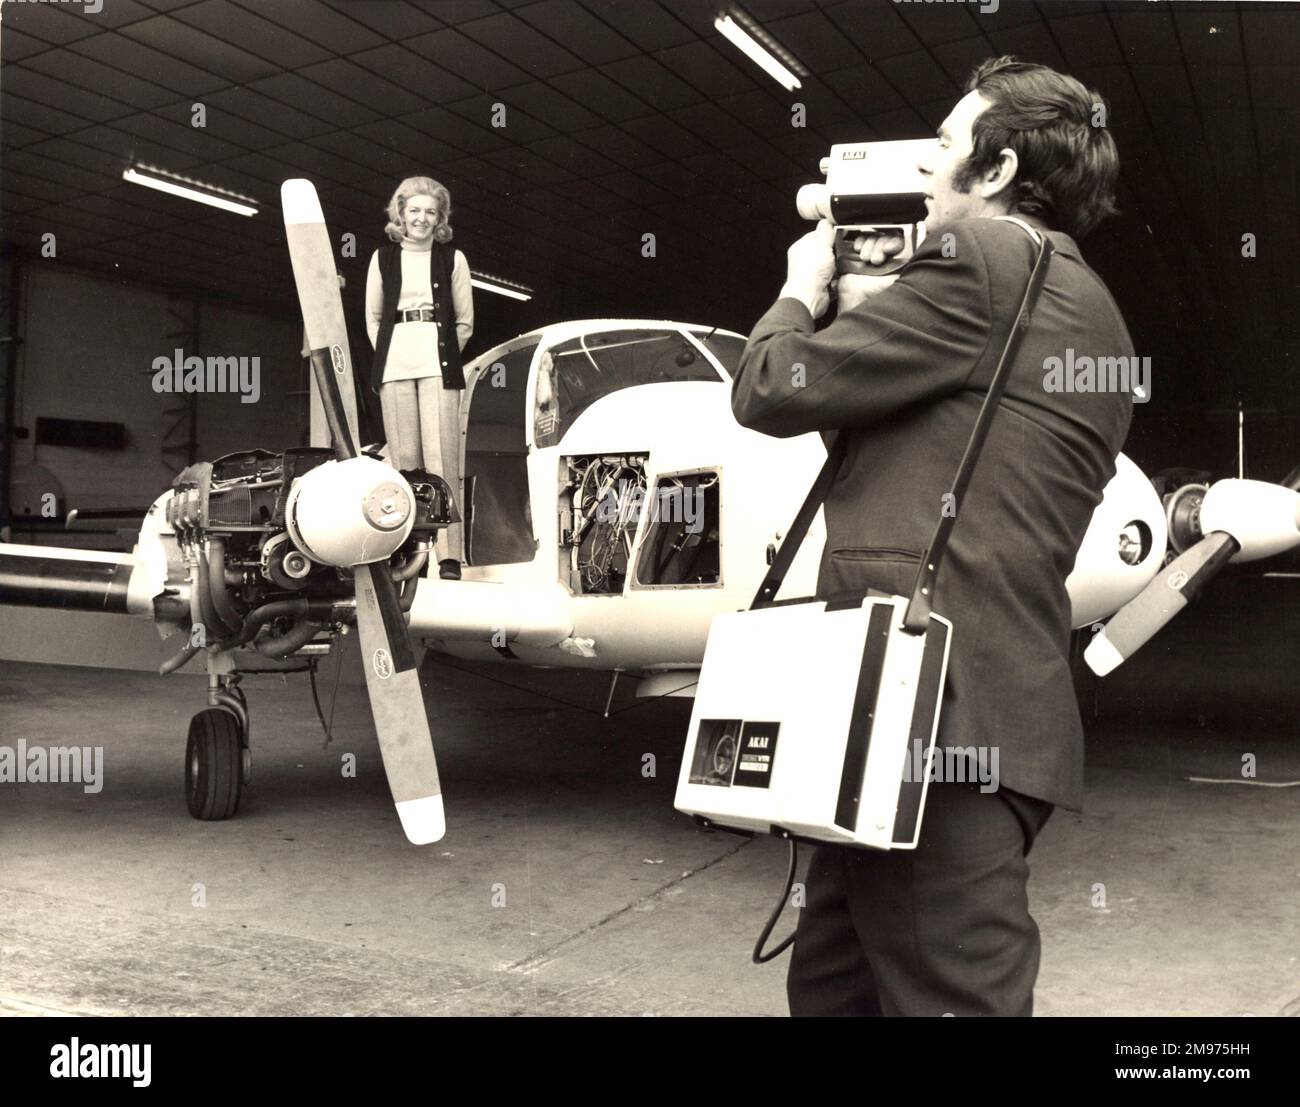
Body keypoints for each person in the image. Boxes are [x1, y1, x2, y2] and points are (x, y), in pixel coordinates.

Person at [731, 56, 1134, 1016]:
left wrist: (802, 289)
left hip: (933, 712)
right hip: (937, 710)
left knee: (947, 997)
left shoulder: (987, 262)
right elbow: (924, 448)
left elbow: (770, 387)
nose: (927, 173)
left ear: (995, 172)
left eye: (946, 148)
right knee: (837, 984)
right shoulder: (1087, 311)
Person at [366, 176, 473, 580]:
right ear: (401, 214)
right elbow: (373, 319)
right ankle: (411, 551)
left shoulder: (453, 259)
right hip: (395, 365)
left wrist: (440, 352)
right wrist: (393, 354)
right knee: (405, 463)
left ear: (440, 217)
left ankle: (448, 557)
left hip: (438, 364)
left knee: (441, 460)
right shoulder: (382, 258)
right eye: (414, 211)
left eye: (430, 212)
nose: (422, 219)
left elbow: (464, 323)